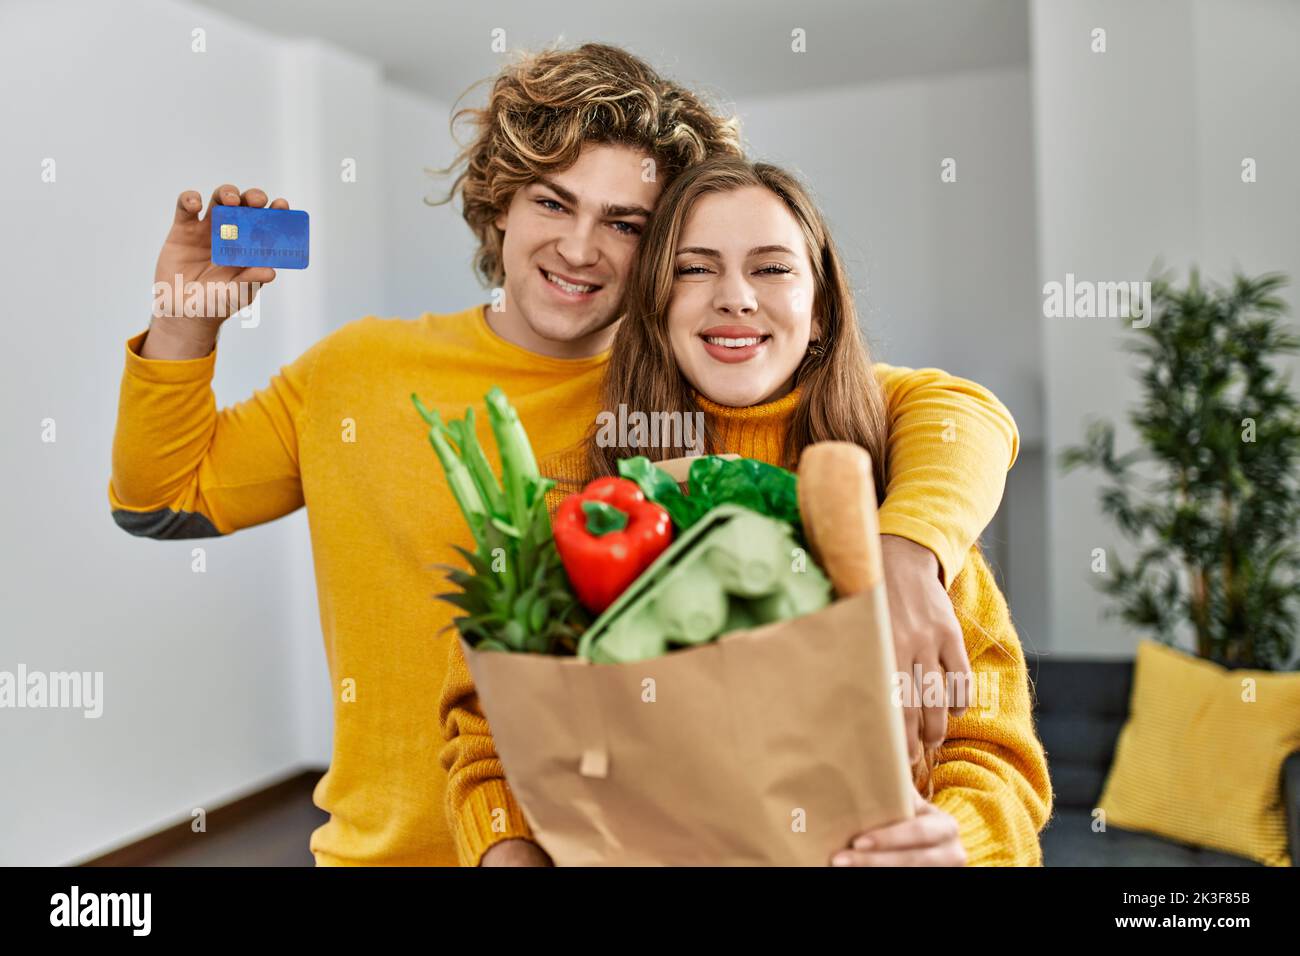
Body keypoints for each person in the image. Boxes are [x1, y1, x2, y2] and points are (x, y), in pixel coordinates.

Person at [113, 43, 1020, 866]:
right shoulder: (357, 373)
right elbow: (161, 500)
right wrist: (183, 324)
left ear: (661, 252)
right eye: (553, 201)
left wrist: (911, 554)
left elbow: (948, 410)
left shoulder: (696, 397)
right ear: (499, 203)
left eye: (626, 223)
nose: (581, 248)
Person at [442, 158, 1052, 866]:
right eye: (695, 269)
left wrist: (955, 847)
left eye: (771, 269)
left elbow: (994, 758)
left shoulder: (906, 512)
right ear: (656, 304)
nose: (734, 297)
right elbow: (485, 737)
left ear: (820, 307)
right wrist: (507, 850)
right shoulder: (587, 511)